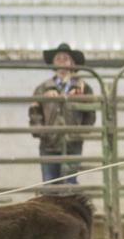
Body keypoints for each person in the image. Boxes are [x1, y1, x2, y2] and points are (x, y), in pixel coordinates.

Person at [28, 43, 97, 184]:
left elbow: (90, 113)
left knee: (69, 182)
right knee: (49, 183)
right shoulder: (42, 89)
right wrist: (41, 132)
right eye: (58, 59)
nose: (61, 62)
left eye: (65, 58)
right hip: (49, 144)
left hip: (73, 143)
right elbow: (34, 112)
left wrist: (80, 132)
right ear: (54, 63)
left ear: (72, 63)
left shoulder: (83, 88)